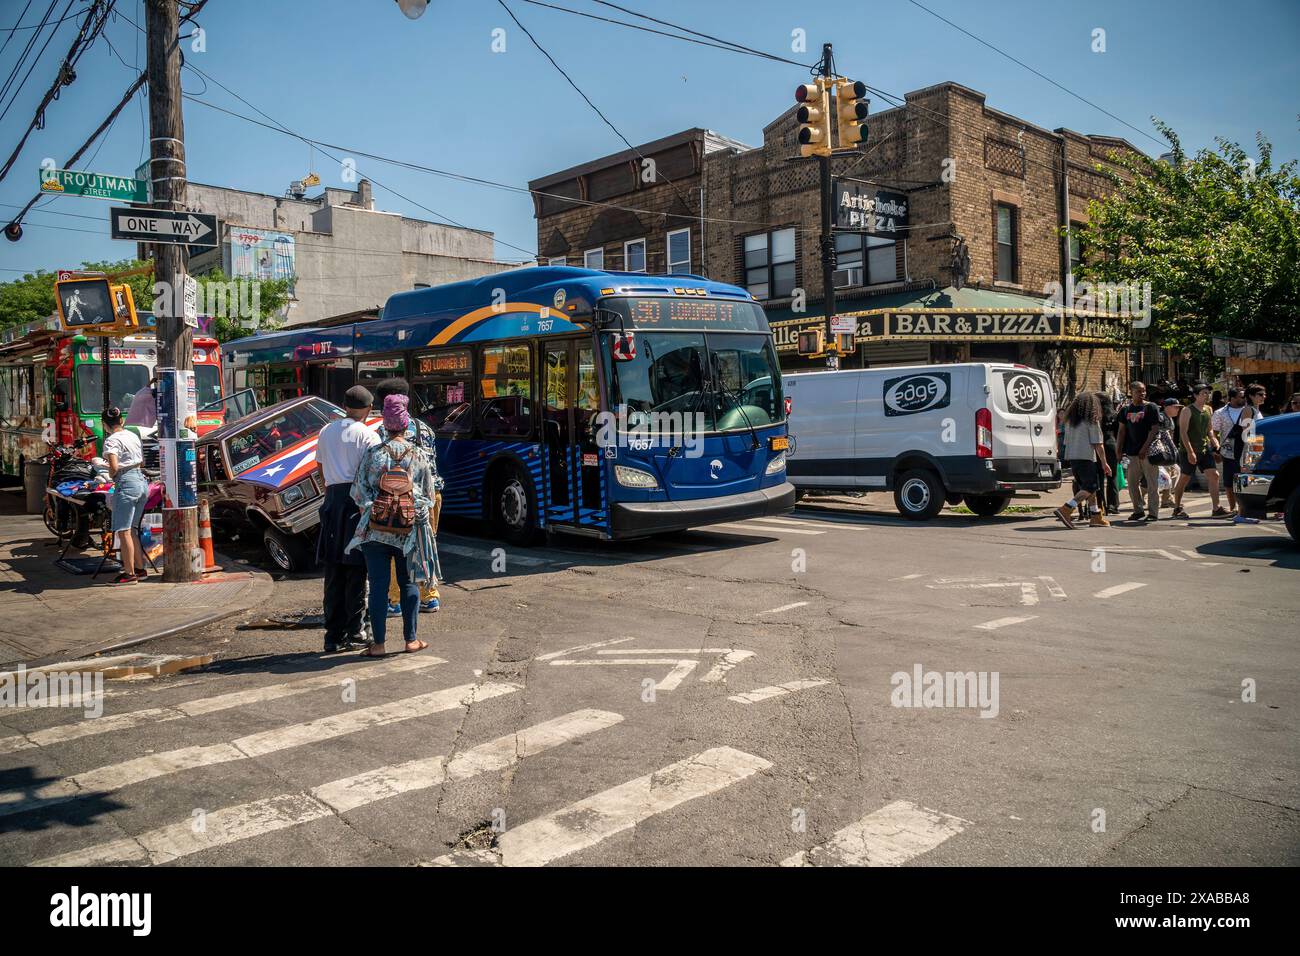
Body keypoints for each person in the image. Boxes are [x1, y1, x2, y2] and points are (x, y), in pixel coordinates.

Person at [347, 394, 437, 656]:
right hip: (408, 532)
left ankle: (378, 645)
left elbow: (358, 493)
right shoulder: (418, 455)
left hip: (375, 530)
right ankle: (411, 640)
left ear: (384, 426)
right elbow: (429, 497)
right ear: (406, 425)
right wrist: (408, 510)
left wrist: (376, 508)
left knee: (377, 585)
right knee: (408, 583)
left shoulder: (373, 454)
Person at [315, 386, 379, 653]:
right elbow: (374, 474)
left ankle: (332, 635)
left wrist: (331, 492)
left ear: (344, 405)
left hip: (331, 502)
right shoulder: (368, 435)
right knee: (356, 569)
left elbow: (319, 468)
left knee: (333, 571)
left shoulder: (325, 431)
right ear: (366, 409)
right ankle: (356, 630)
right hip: (357, 504)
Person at [373, 378, 444, 616]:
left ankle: (394, 600)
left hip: (399, 498)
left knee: (396, 549)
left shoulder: (382, 431)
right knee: (426, 544)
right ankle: (430, 596)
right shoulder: (424, 427)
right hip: (432, 496)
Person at [101, 407, 148, 585]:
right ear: (121, 421)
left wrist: (111, 473)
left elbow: (114, 466)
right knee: (133, 529)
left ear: (105, 425)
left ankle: (129, 575)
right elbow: (141, 460)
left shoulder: (111, 440)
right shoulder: (132, 435)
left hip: (127, 482)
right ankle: (140, 569)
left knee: (124, 531)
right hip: (141, 482)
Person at [1054, 393, 1112, 529]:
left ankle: (1095, 516)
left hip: (1073, 458)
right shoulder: (1091, 420)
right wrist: (1104, 463)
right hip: (1086, 457)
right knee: (1090, 486)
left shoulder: (1070, 421)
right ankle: (1066, 509)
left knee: (1089, 488)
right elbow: (1098, 443)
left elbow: (1066, 442)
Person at [1172, 383, 1226, 519]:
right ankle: (1177, 507)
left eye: (1208, 393)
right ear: (1195, 395)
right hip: (1188, 450)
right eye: (1203, 393)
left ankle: (1216, 508)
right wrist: (1190, 452)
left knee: (1214, 475)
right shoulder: (1187, 410)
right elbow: (1183, 433)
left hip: (1204, 449)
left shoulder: (1208, 409)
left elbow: (1209, 429)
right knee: (1185, 478)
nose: (1206, 395)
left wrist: (1214, 441)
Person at [1115, 381, 1161, 522]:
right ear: (1131, 392)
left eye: (1144, 391)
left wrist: (1144, 448)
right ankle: (1138, 510)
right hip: (1131, 453)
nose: (1142, 393)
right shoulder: (1125, 410)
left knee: (1152, 484)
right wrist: (1118, 450)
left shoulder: (1151, 407)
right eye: (1138, 391)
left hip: (1148, 452)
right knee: (1132, 484)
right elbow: (1121, 431)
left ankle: (1153, 513)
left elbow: (1154, 429)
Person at [1212, 387, 1249, 519]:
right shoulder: (1220, 413)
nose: (1244, 399)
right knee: (1229, 481)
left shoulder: (1249, 411)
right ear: (1232, 398)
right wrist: (1215, 450)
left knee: (1244, 479)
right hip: (1228, 451)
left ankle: (1243, 508)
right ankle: (1233, 508)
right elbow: (1213, 433)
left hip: (1246, 450)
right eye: (1241, 396)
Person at [1096, 391, 1121, 515]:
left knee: (1099, 476)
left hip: (1097, 447)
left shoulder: (1094, 416)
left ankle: (1101, 505)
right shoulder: (1114, 415)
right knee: (1112, 477)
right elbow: (1119, 433)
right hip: (1112, 445)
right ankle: (1113, 505)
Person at [1157, 397, 1182, 511]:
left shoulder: (1170, 419)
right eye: (1175, 407)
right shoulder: (1161, 417)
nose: (1177, 409)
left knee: (1174, 472)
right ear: (1166, 407)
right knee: (1165, 475)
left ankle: (1167, 499)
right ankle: (1166, 499)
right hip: (1160, 452)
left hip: (1168, 451)